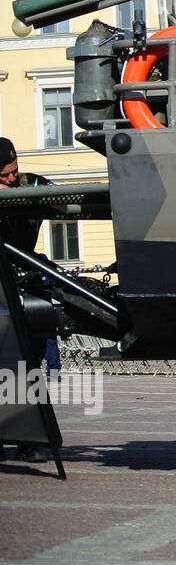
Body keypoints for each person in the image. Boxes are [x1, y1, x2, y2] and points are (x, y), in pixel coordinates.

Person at [0, 137, 55, 462]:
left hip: (25, 283)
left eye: (13, 172)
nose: (11, 179)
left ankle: (27, 440)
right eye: (3, 176)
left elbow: (63, 196)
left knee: (26, 366)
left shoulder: (30, 184)